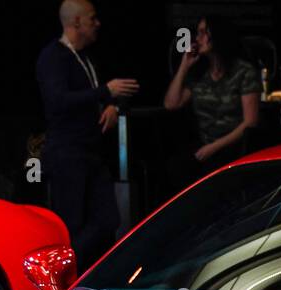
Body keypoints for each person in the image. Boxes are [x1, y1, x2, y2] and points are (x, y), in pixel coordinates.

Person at [36, 0, 139, 267]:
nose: (98, 23)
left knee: (108, 221)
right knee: (72, 225)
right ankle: (64, 280)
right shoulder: (53, 57)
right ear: (77, 22)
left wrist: (111, 105)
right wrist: (106, 92)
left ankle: (85, 278)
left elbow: (94, 95)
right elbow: (58, 100)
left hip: (91, 152)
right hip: (68, 154)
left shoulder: (86, 57)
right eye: (92, 18)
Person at [162, 15, 261, 185]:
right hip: (204, 144)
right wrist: (184, 66)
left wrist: (213, 148)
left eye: (202, 33)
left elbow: (250, 122)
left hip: (232, 146)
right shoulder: (201, 73)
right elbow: (171, 104)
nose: (197, 38)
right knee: (174, 168)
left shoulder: (243, 71)